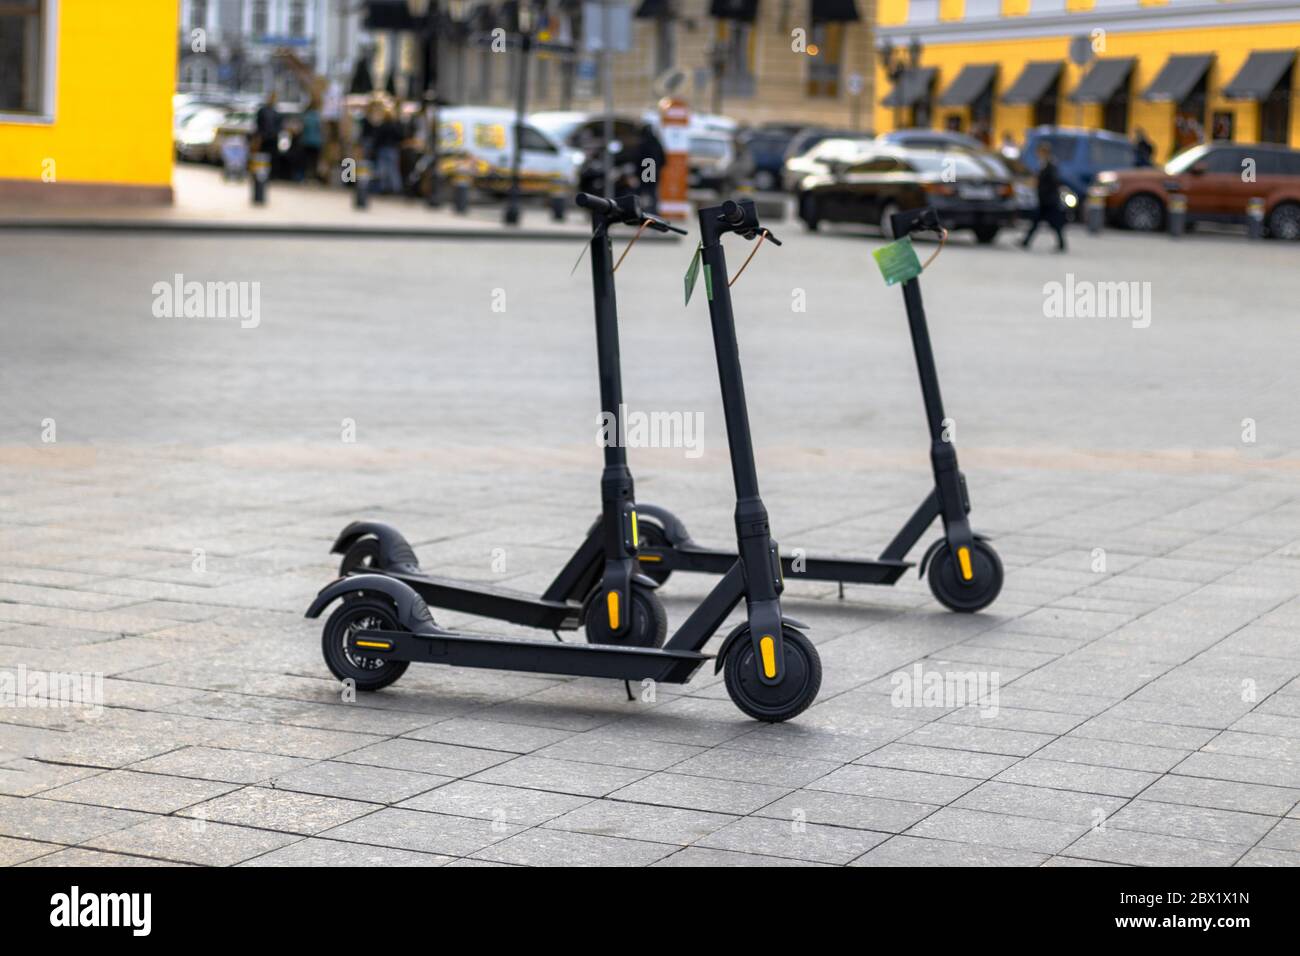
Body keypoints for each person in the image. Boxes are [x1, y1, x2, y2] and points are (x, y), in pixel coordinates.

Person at [1021, 141, 1067, 252]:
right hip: (1045, 199)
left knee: (1053, 223)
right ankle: (1026, 241)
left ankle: (1061, 244)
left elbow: (1053, 181)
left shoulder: (1050, 165)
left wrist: (1042, 187)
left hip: (1049, 200)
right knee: (1038, 222)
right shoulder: (1044, 164)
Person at [634, 123, 665, 212]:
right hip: (653, 171)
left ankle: (641, 211)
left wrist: (637, 172)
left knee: (642, 193)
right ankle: (653, 212)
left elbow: (638, 159)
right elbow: (663, 159)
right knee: (652, 193)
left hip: (645, 172)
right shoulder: (656, 143)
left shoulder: (643, 143)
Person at [295, 97, 323, 182]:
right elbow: (321, 129)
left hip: (306, 141)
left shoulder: (306, 115)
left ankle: (303, 177)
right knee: (313, 161)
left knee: (305, 161)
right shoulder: (318, 116)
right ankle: (312, 177)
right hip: (316, 142)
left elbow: (301, 128)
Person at [253, 92, 281, 158]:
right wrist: (258, 137)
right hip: (263, 137)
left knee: (272, 156)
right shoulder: (262, 111)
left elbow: (278, 125)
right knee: (262, 155)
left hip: (273, 138)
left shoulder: (276, 112)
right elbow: (258, 124)